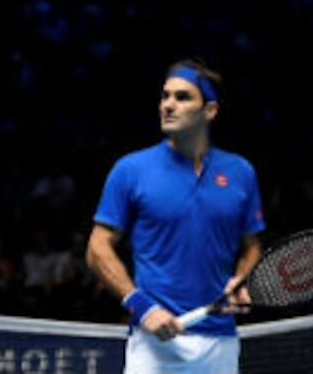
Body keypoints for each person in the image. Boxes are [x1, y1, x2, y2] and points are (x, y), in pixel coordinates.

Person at [86, 59, 264, 373]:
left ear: (209, 111)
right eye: (165, 96)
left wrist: (241, 278)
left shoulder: (240, 172)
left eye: (182, 97)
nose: (168, 105)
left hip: (220, 344)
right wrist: (140, 305)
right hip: (154, 345)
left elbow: (251, 245)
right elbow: (97, 248)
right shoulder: (131, 170)